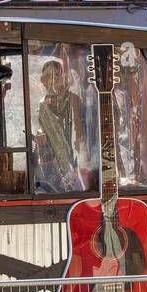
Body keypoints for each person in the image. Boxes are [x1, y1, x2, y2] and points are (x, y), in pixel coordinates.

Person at [36, 59, 90, 193]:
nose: (52, 79)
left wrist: (77, 160)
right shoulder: (42, 106)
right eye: (48, 76)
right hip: (51, 163)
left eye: (56, 75)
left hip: (74, 159)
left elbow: (79, 133)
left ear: (62, 78)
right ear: (43, 80)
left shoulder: (73, 100)